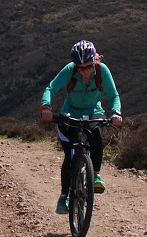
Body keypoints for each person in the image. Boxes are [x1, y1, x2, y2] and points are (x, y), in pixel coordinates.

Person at [39, 39, 123, 213]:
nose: (85, 71)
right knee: (70, 156)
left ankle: (96, 175)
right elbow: (50, 88)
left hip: (93, 110)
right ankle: (64, 197)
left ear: (95, 61)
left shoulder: (102, 70)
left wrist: (116, 112)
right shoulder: (69, 70)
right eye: (81, 67)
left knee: (97, 136)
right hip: (70, 113)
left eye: (88, 66)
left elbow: (114, 95)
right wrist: (46, 107)